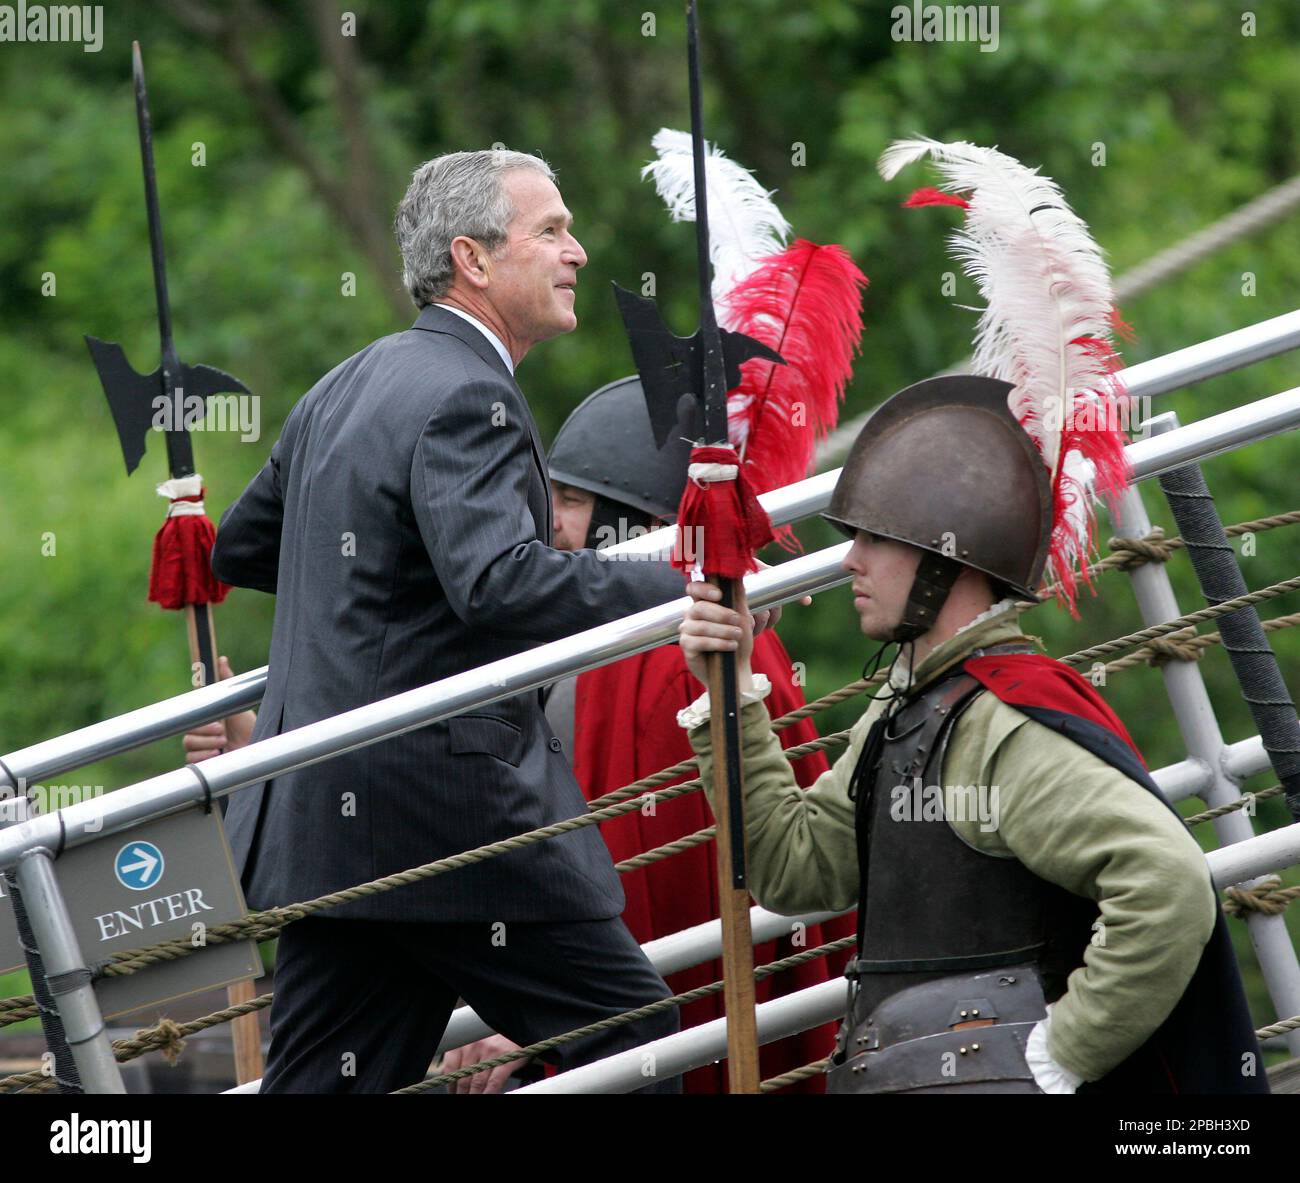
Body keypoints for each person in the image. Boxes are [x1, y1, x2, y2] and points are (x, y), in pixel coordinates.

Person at [207, 149, 786, 1094]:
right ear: (473, 259)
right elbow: (499, 584)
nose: (579, 251)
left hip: (332, 827)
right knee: (637, 1042)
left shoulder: (345, 384)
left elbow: (244, 549)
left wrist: (379, 597)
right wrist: (683, 588)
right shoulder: (471, 392)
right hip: (451, 824)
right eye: (551, 231)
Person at [677, 373, 1269, 1094]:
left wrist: (1063, 1055)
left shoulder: (1003, 726)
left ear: (942, 559)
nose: (849, 561)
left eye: (873, 537)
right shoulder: (909, 704)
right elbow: (796, 866)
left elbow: (1169, 885)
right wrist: (731, 689)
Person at [439, 376, 854, 1092]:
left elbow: (652, 888)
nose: (553, 525)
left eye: (570, 501)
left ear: (628, 518)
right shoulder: (606, 642)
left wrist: (538, 1017)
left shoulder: (664, 660)